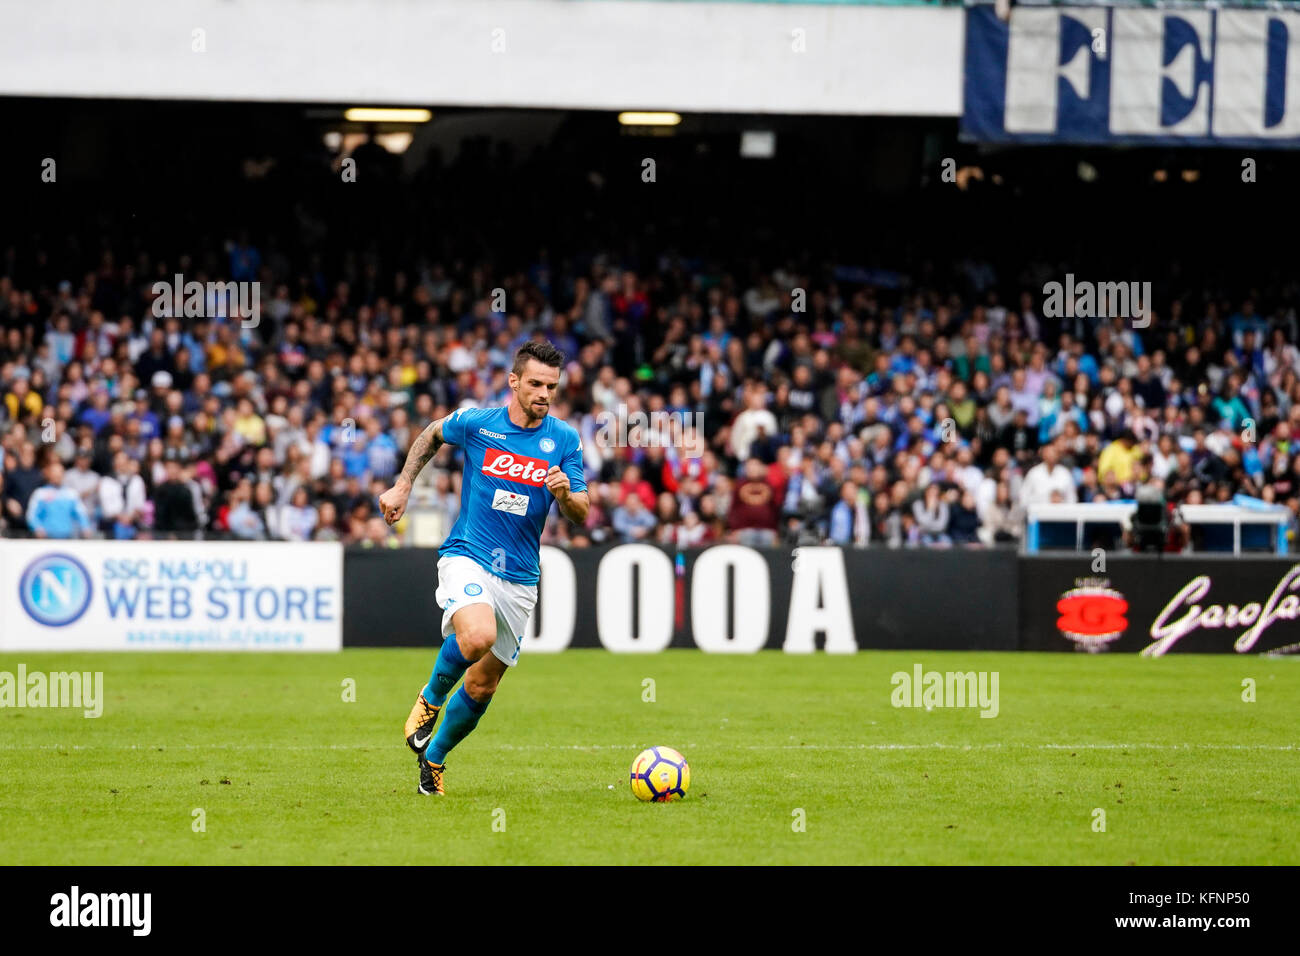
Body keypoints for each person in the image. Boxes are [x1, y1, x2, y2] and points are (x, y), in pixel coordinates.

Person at [378, 341, 589, 796]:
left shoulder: (564, 439)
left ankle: (433, 761)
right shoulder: (478, 423)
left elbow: (583, 512)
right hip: (468, 554)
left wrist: (565, 494)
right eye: (535, 383)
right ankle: (430, 698)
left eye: (551, 386)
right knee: (476, 636)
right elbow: (432, 433)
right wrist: (402, 487)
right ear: (513, 381)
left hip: (520, 577)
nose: (544, 393)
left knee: (483, 684)